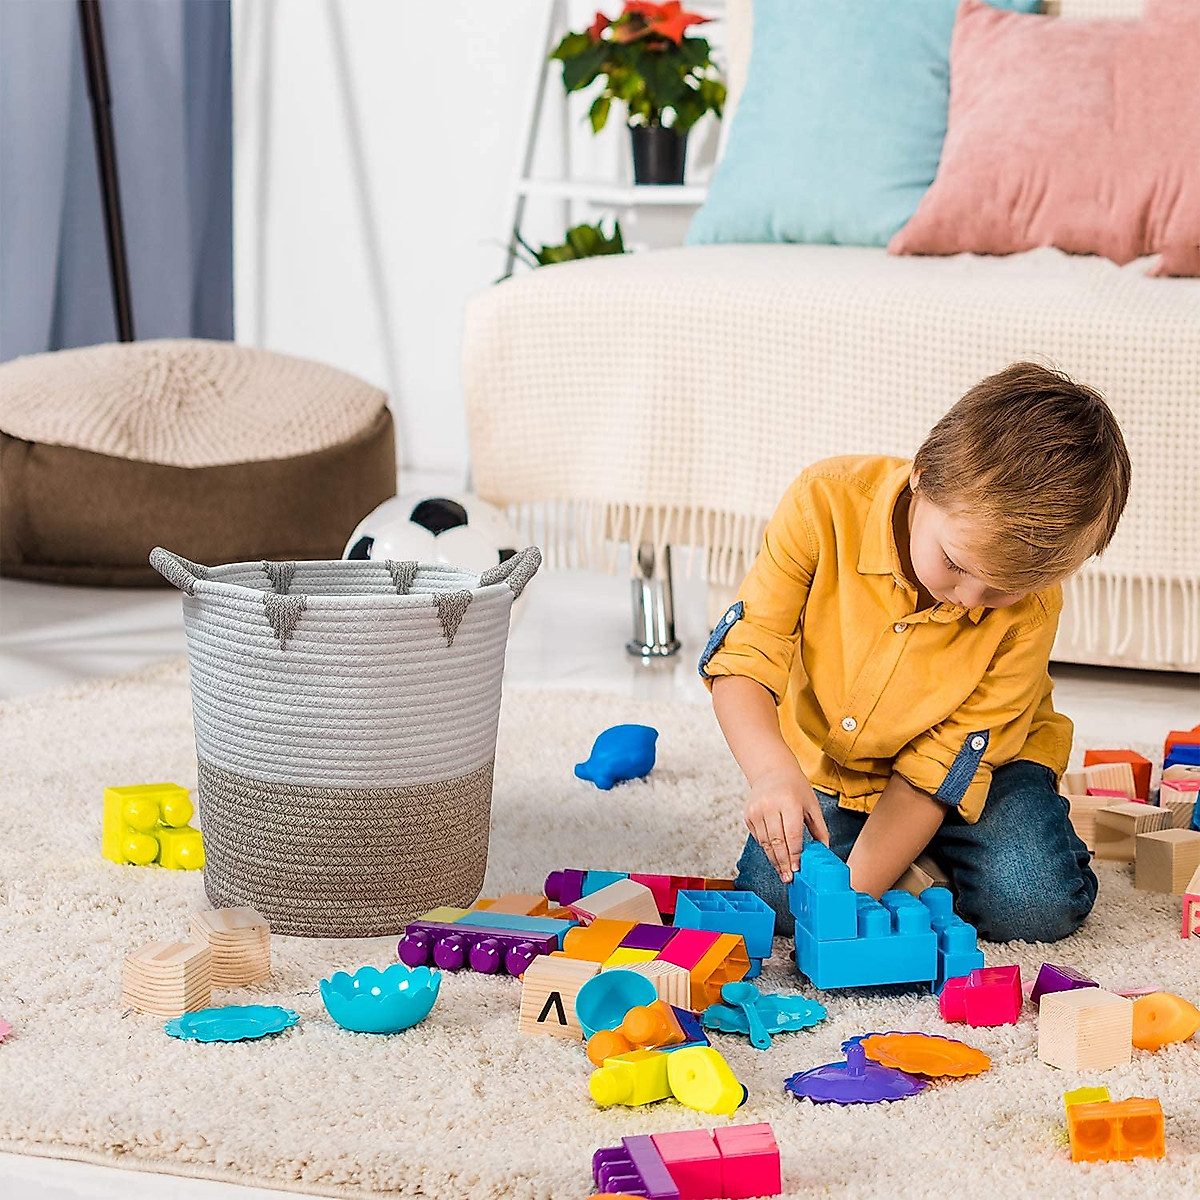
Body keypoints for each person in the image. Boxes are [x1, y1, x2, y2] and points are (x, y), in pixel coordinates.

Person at [701, 362, 1131, 943]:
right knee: (774, 901)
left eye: (1003, 589)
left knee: (1032, 906)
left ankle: (964, 845)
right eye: (954, 563)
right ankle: (930, 863)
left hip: (982, 767)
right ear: (922, 477)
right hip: (840, 763)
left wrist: (846, 907)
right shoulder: (820, 504)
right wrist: (772, 771)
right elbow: (745, 658)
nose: (971, 601)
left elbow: (940, 767)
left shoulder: (1032, 608)